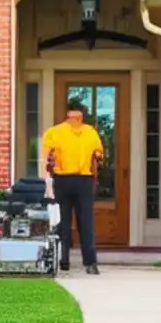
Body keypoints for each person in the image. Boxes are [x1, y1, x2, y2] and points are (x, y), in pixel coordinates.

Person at [42, 100, 104, 274]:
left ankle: (86, 261)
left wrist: (97, 159)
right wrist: (48, 181)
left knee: (82, 221)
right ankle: (66, 259)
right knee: (65, 222)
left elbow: (98, 154)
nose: (76, 117)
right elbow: (47, 159)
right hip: (64, 179)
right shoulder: (55, 133)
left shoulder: (90, 132)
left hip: (82, 179)